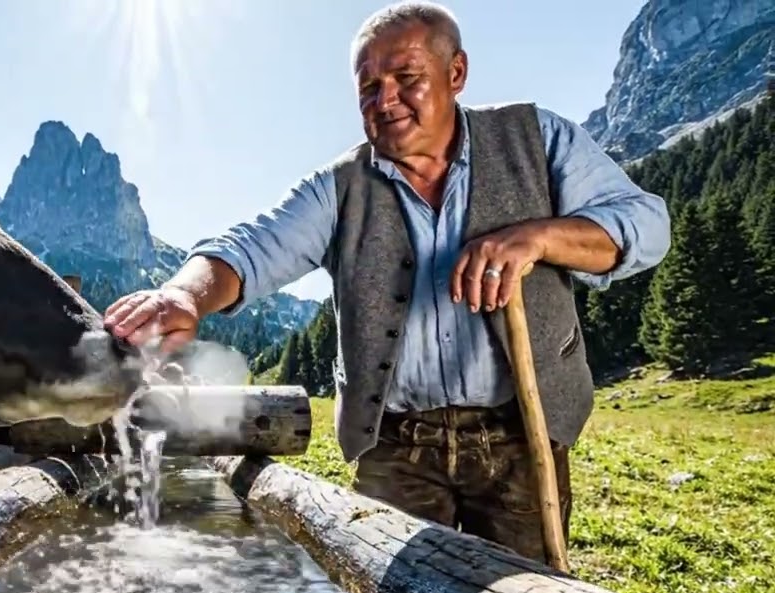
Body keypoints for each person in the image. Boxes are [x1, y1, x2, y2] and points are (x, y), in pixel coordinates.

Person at [102, 0, 671, 563]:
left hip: (522, 436)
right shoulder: (339, 186)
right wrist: (183, 295)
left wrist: (541, 237)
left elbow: (646, 225)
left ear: (457, 73)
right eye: (368, 88)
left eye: (407, 78)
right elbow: (251, 246)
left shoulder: (536, 139)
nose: (386, 100)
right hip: (395, 448)